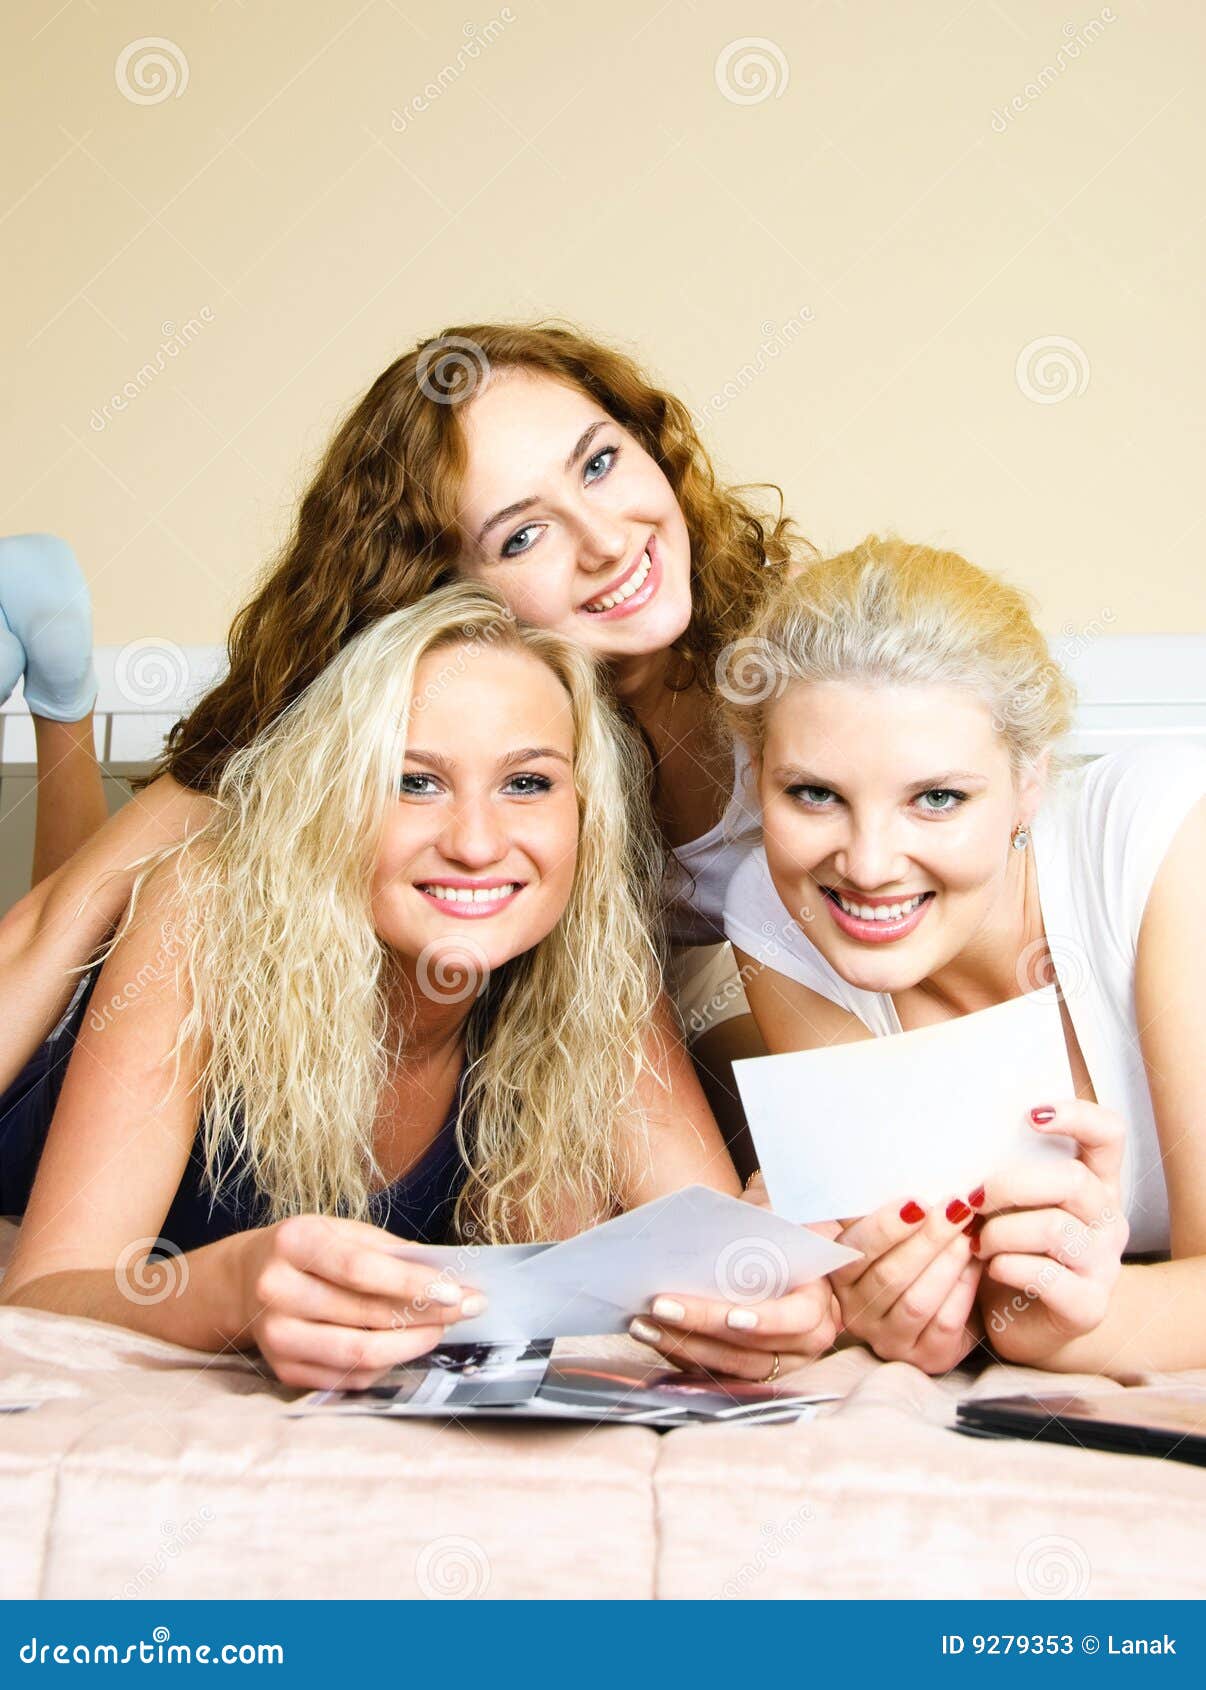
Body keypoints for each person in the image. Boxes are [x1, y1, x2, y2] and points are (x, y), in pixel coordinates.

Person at [0, 322, 815, 1152]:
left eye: (599, 463)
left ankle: (60, 691)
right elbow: (56, 921)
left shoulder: (809, 657)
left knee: (755, 1100)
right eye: (522, 536)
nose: (607, 542)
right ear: (447, 594)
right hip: (503, 1021)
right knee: (89, 948)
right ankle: (63, 695)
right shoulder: (403, 694)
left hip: (678, 1007)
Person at [0, 584, 838, 1387]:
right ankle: (61, 701)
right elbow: (43, 1296)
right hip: (38, 1088)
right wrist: (230, 1291)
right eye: (414, 781)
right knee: (73, 921)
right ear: (331, 799)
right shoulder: (203, 905)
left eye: (527, 783)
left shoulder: (595, 958)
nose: (476, 844)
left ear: (584, 811)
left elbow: (721, 1262)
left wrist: (772, 1310)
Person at [720, 535, 1206, 1376]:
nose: (869, 865)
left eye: (937, 798)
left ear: (1029, 783)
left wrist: (1028, 1327)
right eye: (814, 794)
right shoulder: (773, 909)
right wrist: (911, 1308)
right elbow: (911, 1279)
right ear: (759, 775)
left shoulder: (1162, 836)